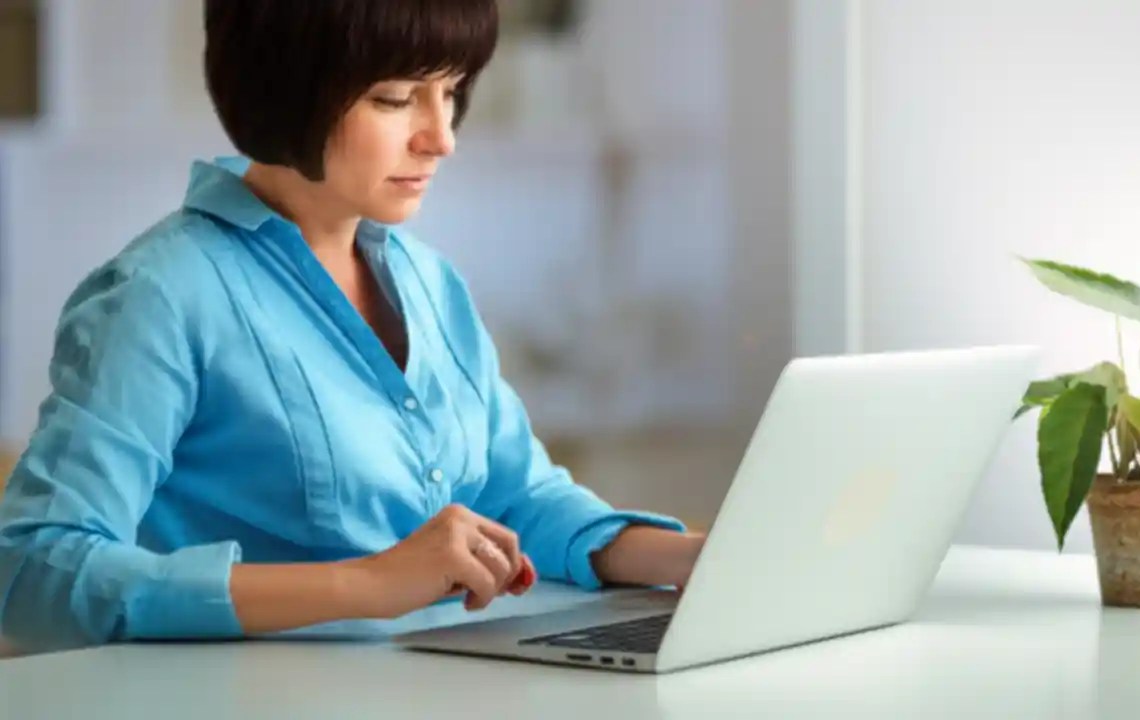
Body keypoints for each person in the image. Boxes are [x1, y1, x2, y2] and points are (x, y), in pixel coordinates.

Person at [0, 0, 704, 652]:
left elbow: (516, 496)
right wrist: (366, 584)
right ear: (288, 87)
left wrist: (693, 558)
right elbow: (33, 571)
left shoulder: (431, 284)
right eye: (395, 99)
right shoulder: (161, 294)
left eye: (451, 91)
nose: (442, 138)